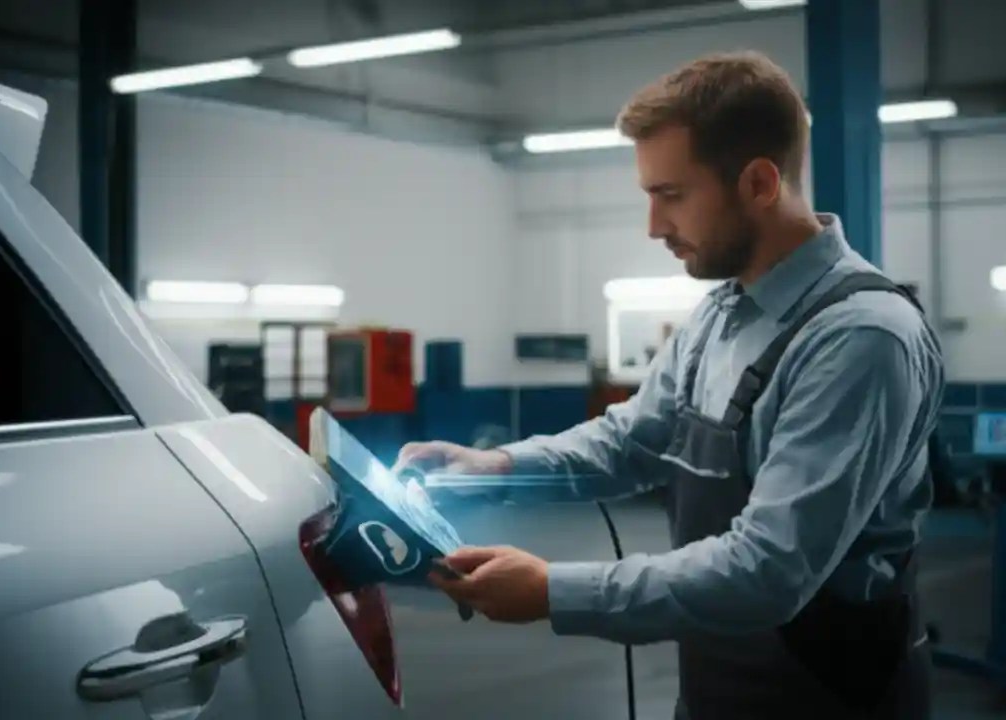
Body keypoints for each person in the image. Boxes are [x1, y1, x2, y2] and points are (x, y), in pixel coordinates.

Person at [397, 51, 944, 719]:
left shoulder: (860, 339)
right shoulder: (722, 312)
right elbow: (632, 441)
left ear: (759, 184)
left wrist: (552, 591)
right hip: (721, 682)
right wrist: (496, 466)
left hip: (833, 696)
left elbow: (768, 570)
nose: (654, 227)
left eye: (671, 195)